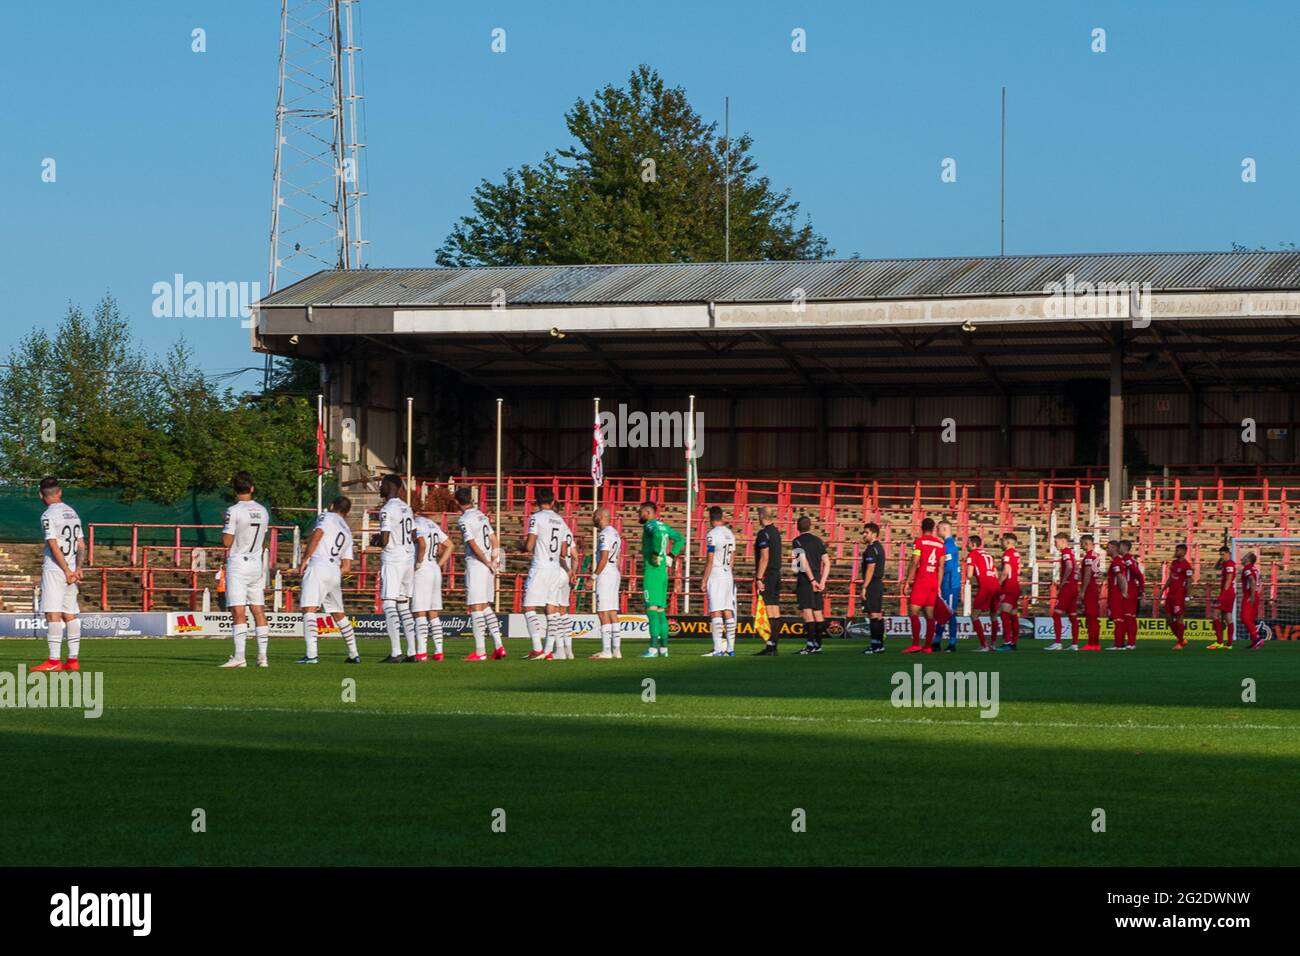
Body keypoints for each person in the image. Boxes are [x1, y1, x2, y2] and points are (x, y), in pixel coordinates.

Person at [296, 496, 361, 664]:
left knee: (309, 609)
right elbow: (347, 566)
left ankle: (311, 655)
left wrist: (304, 559)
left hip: (319, 565)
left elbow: (318, 534)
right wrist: (332, 574)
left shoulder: (326, 516)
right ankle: (354, 653)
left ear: (332, 505)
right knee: (339, 614)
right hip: (334, 571)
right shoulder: (347, 530)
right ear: (346, 513)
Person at [32, 477, 84, 673]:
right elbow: (81, 544)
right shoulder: (73, 513)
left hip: (56, 569)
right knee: (70, 613)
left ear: (41, 495)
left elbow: (53, 545)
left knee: (52, 614)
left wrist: (65, 570)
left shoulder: (48, 515)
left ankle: (54, 660)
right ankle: (72, 660)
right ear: (60, 492)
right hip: (72, 569)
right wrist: (77, 569)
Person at [456, 487, 506, 661]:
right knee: (485, 606)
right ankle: (499, 646)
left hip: (477, 564)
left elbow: (472, 544)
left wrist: (486, 561)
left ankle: (480, 651)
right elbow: (494, 539)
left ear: (458, 503)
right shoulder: (481, 515)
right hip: (488, 566)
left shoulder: (464, 520)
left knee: (476, 606)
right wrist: (495, 559)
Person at [521, 489, 569, 660]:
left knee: (528, 607)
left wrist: (520, 545)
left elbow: (529, 546)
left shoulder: (536, 517)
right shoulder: (561, 521)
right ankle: (548, 651)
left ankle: (537, 648)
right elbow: (564, 551)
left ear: (537, 501)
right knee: (551, 609)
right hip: (555, 568)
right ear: (553, 501)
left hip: (540, 566)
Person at [374, 475, 417, 663]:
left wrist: (376, 540)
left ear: (390, 486)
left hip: (393, 558)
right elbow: (414, 534)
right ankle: (412, 651)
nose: (379, 487)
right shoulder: (406, 507)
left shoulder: (387, 509)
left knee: (389, 603)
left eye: (382, 484)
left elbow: (384, 539)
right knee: (403, 605)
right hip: (408, 557)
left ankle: (395, 651)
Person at [638, 501, 684, 658]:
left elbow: (656, 535)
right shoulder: (664, 526)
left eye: (641, 511)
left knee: (651, 609)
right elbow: (680, 539)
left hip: (652, 571)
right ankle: (664, 649)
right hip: (663, 572)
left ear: (648, 512)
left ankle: (652, 649)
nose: (639, 514)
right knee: (661, 611)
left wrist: (656, 553)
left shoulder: (650, 525)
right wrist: (671, 555)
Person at [903, 517, 952, 654]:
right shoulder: (941, 545)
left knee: (913, 612)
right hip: (933, 582)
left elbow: (914, 562)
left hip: (922, 580)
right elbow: (941, 566)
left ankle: (915, 644)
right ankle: (928, 646)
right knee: (930, 615)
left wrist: (907, 581)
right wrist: (938, 585)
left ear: (921, 527)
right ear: (933, 529)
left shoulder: (919, 542)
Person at [412, 509, 453, 661]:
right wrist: (439, 564)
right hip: (434, 569)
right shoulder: (431, 524)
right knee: (433, 613)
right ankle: (439, 651)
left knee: (420, 611)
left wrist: (418, 563)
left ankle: (422, 652)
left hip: (423, 570)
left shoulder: (415, 524)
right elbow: (450, 545)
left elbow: (422, 544)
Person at [702, 506, 737, 657]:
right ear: (721, 516)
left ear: (710, 518)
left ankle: (717, 649)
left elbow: (710, 560)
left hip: (716, 573)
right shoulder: (730, 533)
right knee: (728, 610)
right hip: (728, 574)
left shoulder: (712, 534)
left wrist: (704, 580)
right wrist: (727, 570)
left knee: (716, 610)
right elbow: (733, 557)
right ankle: (730, 648)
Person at [792, 516, 830, 654]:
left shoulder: (796, 541)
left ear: (797, 527)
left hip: (806, 580)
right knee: (818, 613)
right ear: (810, 526)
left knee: (807, 612)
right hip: (819, 579)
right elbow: (827, 563)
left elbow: (802, 562)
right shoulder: (818, 541)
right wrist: (822, 582)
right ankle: (818, 645)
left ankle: (810, 645)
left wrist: (812, 580)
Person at [590, 507, 623, 659]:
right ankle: (616, 649)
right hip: (614, 572)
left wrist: (594, 576)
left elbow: (604, 556)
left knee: (603, 612)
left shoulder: (604, 535)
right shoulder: (616, 533)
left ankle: (606, 650)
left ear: (602, 517)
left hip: (605, 574)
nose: (593, 519)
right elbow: (618, 557)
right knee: (612, 612)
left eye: (595, 516)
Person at [753, 507, 784, 655]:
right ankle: (773, 645)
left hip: (768, 575)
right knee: (775, 609)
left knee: (771, 609)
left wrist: (759, 577)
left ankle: (771, 646)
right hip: (776, 573)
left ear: (761, 516)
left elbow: (764, 557)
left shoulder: (763, 533)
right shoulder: (776, 532)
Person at [966, 534, 1001, 651]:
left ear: (973, 544)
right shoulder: (988, 554)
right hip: (995, 585)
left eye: (968, 543)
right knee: (994, 615)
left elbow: (969, 575)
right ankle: (993, 644)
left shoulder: (972, 554)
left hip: (986, 587)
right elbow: (995, 572)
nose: (966, 545)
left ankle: (983, 645)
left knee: (974, 615)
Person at [1046, 532, 1080, 651]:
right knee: (1073, 616)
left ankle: (1058, 642)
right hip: (1074, 587)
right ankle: (1075, 644)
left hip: (1068, 587)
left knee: (1056, 614)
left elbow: (1069, 566)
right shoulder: (1071, 553)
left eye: (1056, 542)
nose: (1055, 545)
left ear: (1063, 541)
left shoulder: (1066, 552)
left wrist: (1063, 581)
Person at [859, 522, 887, 654]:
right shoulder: (879, 547)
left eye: (866, 532)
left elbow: (871, 568)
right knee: (877, 615)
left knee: (873, 615)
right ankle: (879, 644)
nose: (864, 535)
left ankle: (875, 645)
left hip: (872, 584)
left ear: (874, 534)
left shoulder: (871, 549)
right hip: (878, 583)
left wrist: (864, 586)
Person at [935, 520, 961, 652]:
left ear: (945, 529)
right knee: (942, 613)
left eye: (938, 528)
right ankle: (936, 641)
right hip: (947, 583)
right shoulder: (948, 544)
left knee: (950, 614)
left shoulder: (949, 545)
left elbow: (949, 567)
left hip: (950, 584)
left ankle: (952, 643)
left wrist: (937, 572)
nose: (936, 530)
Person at [1162, 543, 1193, 650]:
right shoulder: (1174, 563)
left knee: (1179, 619)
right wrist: (1163, 589)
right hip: (1170, 594)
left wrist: (1188, 597)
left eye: (1178, 550)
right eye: (1176, 550)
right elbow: (1171, 577)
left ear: (1184, 552)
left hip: (1179, 595)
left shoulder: (1187, 566)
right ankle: (1181, 639)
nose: (1176, 552)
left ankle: (1179, 642)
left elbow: (1189, 581)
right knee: (1168, 619)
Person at [995, 533, 1021, 651]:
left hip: (1009, 587)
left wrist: (999, 583)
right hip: (1016, 586)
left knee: (1004, 614)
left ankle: (1007, 642)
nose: (1000, 543)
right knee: (1013, 615)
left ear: (1007, 541)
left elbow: (1006, 571)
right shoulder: (1016, 554)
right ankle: (1013, 642)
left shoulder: (1007, 554)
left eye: (1002, 541)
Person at [1208, 546, 1237, 650]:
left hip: (1227, 592)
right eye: (1220, 554)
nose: (1221, 556)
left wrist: (1223, 595)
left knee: (1215, 615)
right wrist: (1221, 559)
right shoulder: (1226, 563)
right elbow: (1215, 567)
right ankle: (1229, 644)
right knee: (1227, 616)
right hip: (1229, 592)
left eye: (1223, 554)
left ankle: (1219, 641)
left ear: (1228, 553)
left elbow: (1229, 579)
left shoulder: (1229, 564)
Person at [1079, 534, 1103, 650]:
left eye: (1081, 543)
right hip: (1094, 587)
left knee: (1091, 616)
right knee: (1093, 616)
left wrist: (1083, 590)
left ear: (1086, 543)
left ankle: (1092, 643)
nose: (1080, 545)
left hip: (1090, 588)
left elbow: (1088, 573)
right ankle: (1094, 642)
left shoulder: (1089, 557)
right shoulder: (1096, 555)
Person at [1105, 540, 1130, 651]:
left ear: (1114, 548)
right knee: (1119, 619)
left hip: (1116, 593)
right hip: (1116, 593)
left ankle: (1118, 644)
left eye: (1108, 547)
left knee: (1117, 619)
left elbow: (1120, 577)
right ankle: (1121, 642)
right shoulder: (1119, 561)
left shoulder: (1116, 562)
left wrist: (1124, 591)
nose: (1107, 550)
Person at [1119, 539, 1143, 650]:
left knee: (1129, 617)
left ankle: (1131, 643)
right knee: (1125, 617)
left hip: (1130, 590)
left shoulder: (1128, 559)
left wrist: (1141, 589)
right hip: (1126, 589)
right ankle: (1125, 642)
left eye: (1119, 546)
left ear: (1124, 547)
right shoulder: (1124, 559)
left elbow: (1138, 574)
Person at [1240, 552, 1265, 650]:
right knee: (1250, 619)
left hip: (1250, 595)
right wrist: (1257, 592)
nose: (1242, 558)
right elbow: (1261, 581)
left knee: (1244, 618)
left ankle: (1257, 638)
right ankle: (1255, 641)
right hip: (1256, 594)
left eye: (1244, 556)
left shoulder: (1247, 568)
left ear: (1248, 560)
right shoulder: (1256, 569)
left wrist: (1252, 595)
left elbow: (1252, 580)